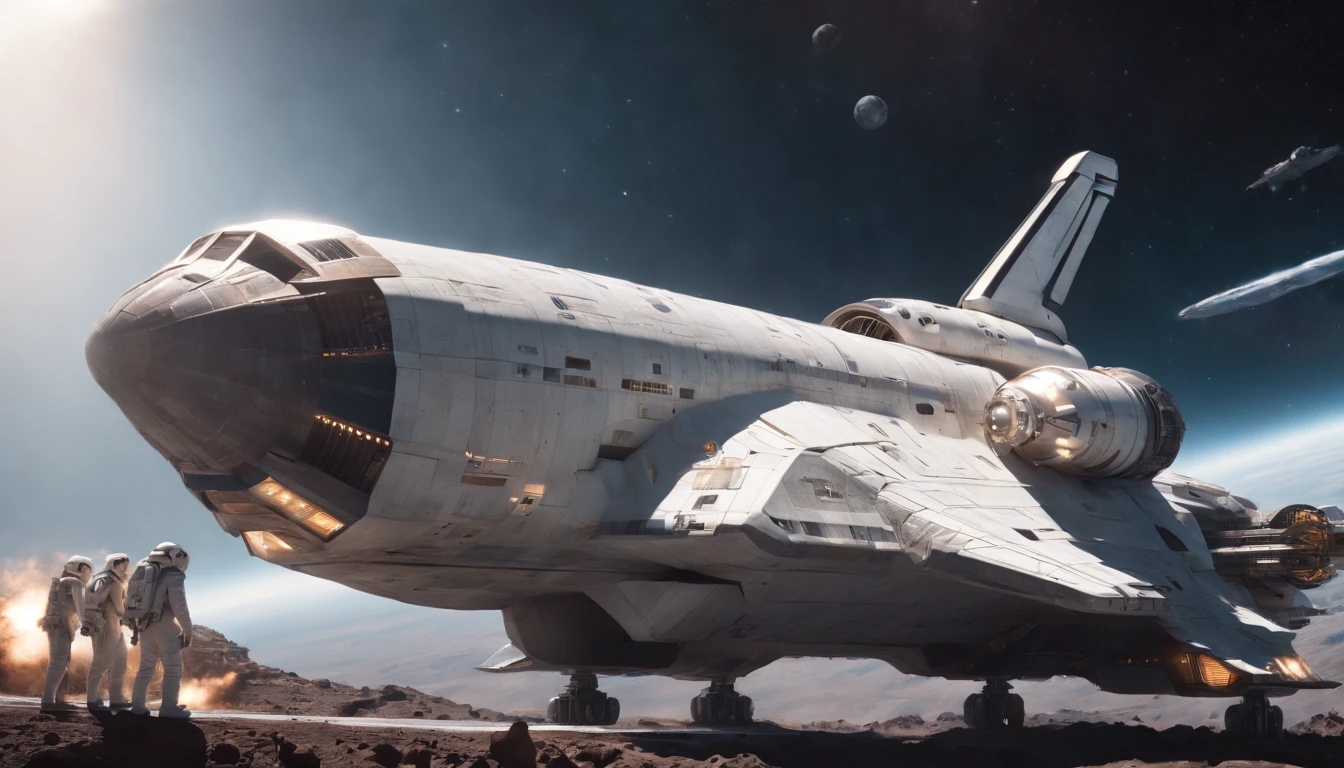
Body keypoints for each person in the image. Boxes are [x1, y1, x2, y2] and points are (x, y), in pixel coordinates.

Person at [128, 543, 193, 718]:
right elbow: (180, 606)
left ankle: (138, 707)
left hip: (146, 626)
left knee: (146, 667)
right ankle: (169, 708)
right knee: (172, 667)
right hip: (165, 626)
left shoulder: (147, 572)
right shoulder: (173, 576)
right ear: (174, 555)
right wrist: (188, 630)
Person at [39, 555, 94, 712]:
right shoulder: (74, 582)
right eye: (87, 571)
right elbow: (80, 607)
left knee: (61, 662)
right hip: (62, 626)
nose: (88, 575)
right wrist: (87, 623)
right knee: (59, 662)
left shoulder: (60, 582)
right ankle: (48, 700)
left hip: (55, 625)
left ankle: (57, 699)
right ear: (82, 569)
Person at [82, 553, 132, 711]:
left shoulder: (98, 579)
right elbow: (120, 608)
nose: (125, 568)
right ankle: (92, 699)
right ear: (115, 564)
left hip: (108, 626)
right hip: (108, 626)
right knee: (101, 662)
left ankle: (116, 698)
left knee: (119, 661)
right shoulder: (112, 581)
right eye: (123, 565)